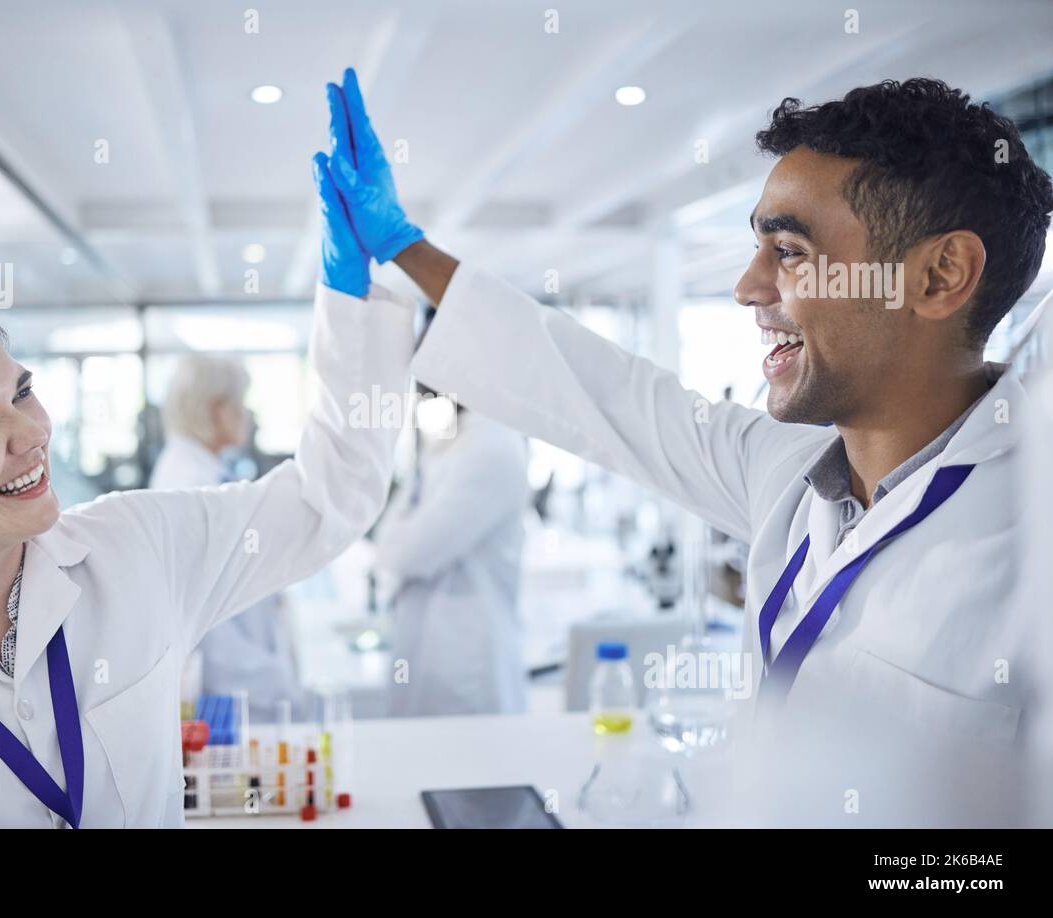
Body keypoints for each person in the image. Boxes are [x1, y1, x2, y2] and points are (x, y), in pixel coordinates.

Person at [313, 69, 1053, 825]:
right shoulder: (789, 479)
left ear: (939, 275)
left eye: (791, 251)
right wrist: (406, 248)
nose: (746, 286)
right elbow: (607, 395)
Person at [0, 168, 415, 827]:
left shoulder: (139, 547)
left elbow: (328, 496)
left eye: (22, 391)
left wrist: (351, 297)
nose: (33, 432)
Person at [150, 352, 303, 722]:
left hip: (246, 684)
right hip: (236, 694)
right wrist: (273, 680)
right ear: (219, 410)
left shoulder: (199, 475)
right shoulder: (193, 488)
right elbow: (209, 629)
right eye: (242, 403)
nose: (248, 415)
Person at [372, 380, 529, 716]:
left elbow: (409, 554)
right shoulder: (447, 438)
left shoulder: (493, 447)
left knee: (472, 763)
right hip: (424, 646)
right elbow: (385, 544)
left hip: (469, 662)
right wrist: (396, 544)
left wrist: (397, 543)